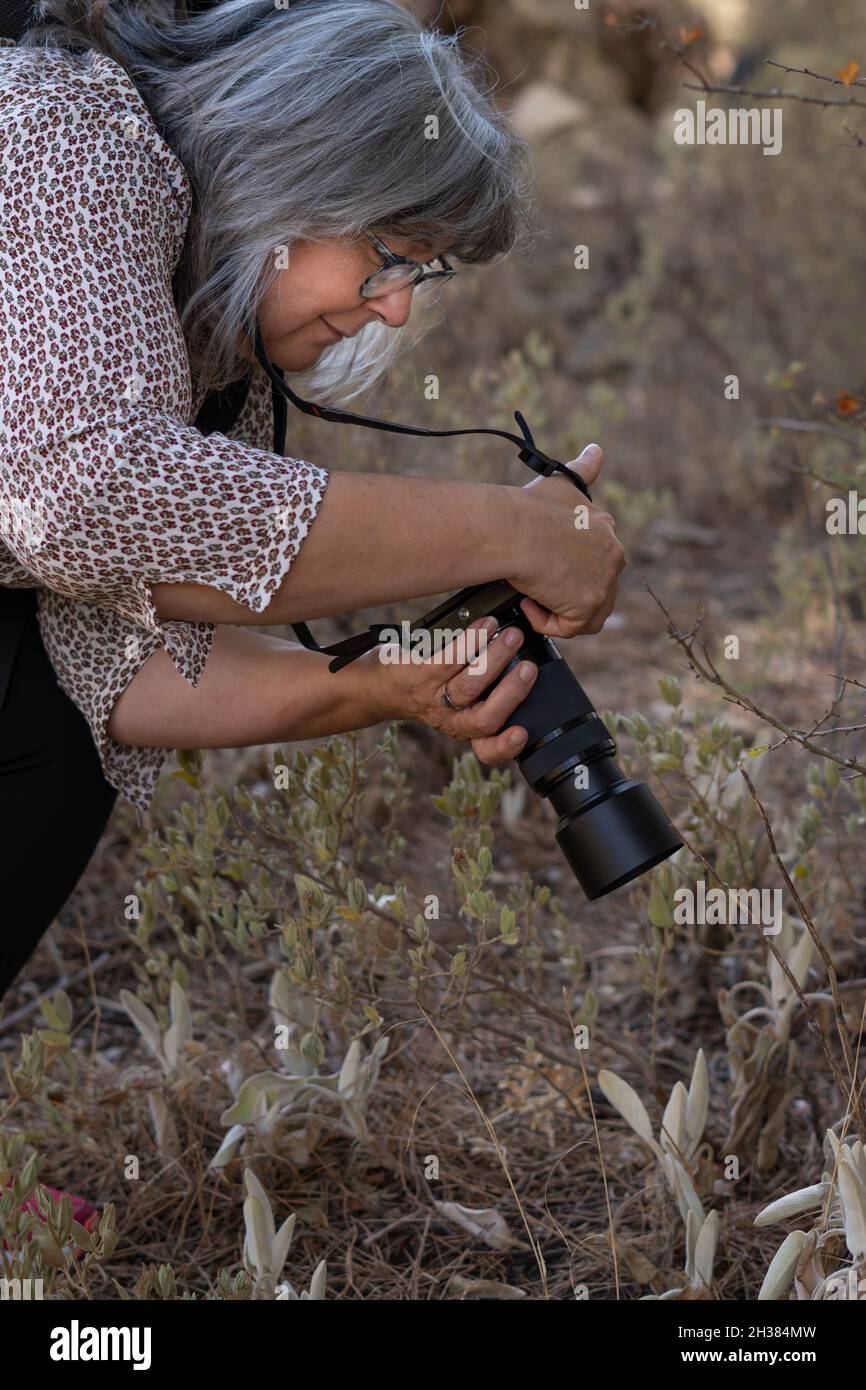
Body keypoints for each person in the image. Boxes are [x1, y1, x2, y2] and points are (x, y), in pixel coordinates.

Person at [0, 0, 625, 1000]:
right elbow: (81, 497)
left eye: (421, 272)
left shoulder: (213, 340)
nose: (396, 306)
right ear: (293, 173)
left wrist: (380, 684)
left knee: (55, 731)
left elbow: (117, 672)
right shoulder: (71, 134)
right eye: (384, 253)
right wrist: (505, 531)